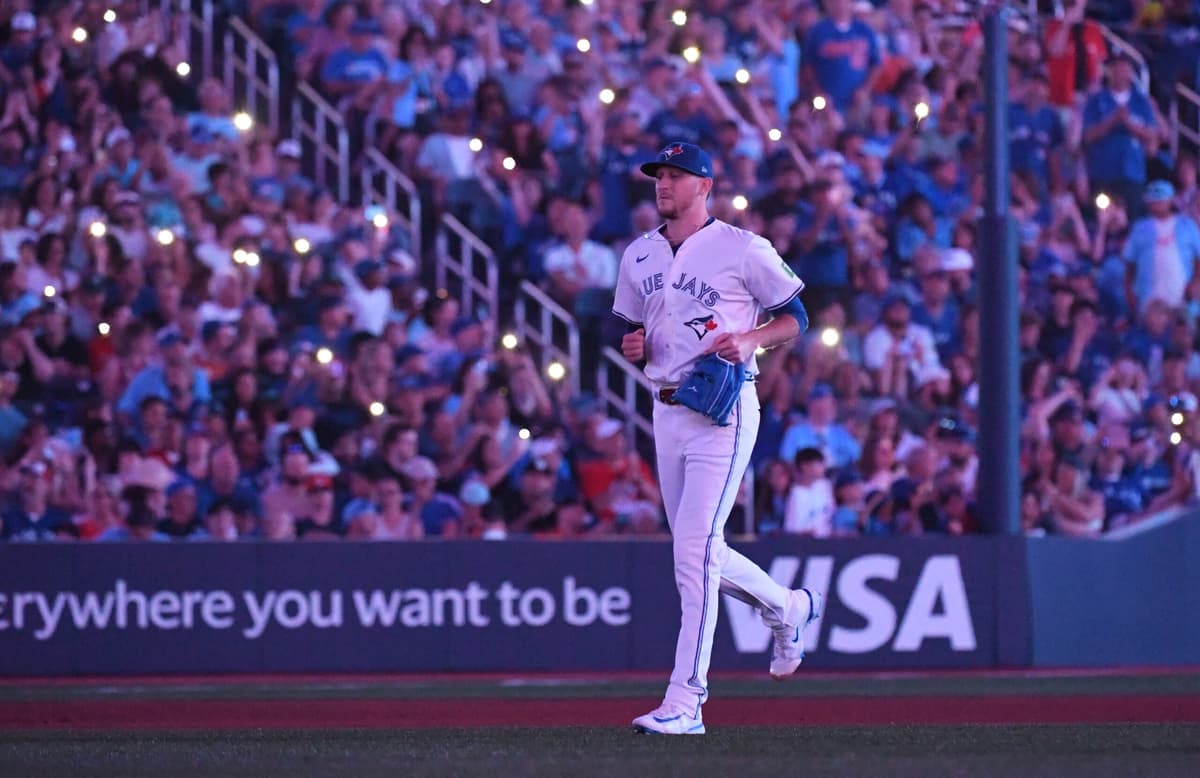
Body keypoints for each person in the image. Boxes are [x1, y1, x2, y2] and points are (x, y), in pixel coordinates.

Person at [613, 141, 821, 736]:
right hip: (666, 408)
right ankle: (788, 608)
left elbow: (795, 316)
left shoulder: (741, 247)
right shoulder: (640, 255)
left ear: (705, 185)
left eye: (676, 175)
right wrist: (633, 348)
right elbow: (631, 331)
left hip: (723, 411)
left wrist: (753, 339)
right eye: (659, 174)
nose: (663, 183)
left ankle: (687, 700)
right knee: (698, 551)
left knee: (694, 553)